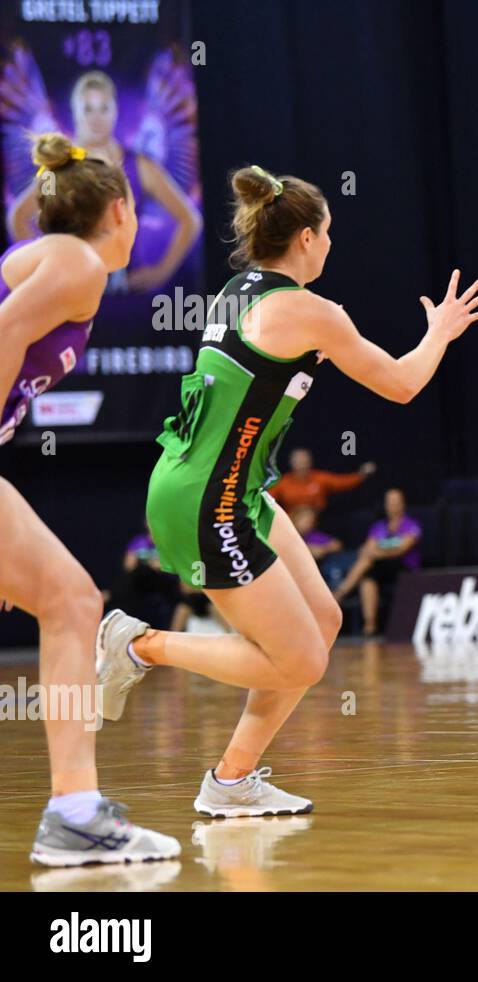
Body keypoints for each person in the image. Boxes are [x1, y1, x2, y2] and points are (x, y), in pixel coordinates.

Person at [94, 164, 478, 817]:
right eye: (328, 231)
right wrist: (440, 333)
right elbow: (400, 384)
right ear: (305, 238)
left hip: (225, 484)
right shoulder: (310, 311)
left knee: (325, 621)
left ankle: (231, 781)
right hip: (209, 498)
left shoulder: (233, 291)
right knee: (300, 660)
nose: (332, 243)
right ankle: (138, 644)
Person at [1, 134, 179, 865]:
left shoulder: (41, 258)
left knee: (68, 599)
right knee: (73, 602)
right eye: (137, 211)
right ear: (119, 210)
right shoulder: (78, 263)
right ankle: (73, 812)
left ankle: (74, 812)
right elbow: (6, 326)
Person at [6, 71, 201, 293]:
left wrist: (161, 272)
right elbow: (20, 216)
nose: (96, 117)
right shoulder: (58, 169)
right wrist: (47, 269)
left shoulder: (139, 166)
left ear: (115, 111)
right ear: (75, 113)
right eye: (88, 108)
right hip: (70, 295)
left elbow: (189, 219)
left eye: (103, 107)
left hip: (123, 298)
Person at [332, 488, 422, 637]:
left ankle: (339, 593)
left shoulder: (411, 524)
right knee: (367, 578)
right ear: (385, 505)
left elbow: (403, 548)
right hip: (380, 566)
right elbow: (367, 548)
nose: (393, 505)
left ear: (403, 504)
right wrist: (376, 552)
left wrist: (378, 552)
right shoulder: (379, 526)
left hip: (403, 566)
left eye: (396, 501)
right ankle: (370, 626)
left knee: (367, 561)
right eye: (390, 502)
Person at [269, 448, 376, 514]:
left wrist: (361, 475)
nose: (303, 465)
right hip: (292, 524)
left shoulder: (320, 478)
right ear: (292, 463)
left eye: (305, 461)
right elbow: (268, 499)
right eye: (299, 462)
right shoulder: (282, 483)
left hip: (318, 522)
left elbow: (341, 482)